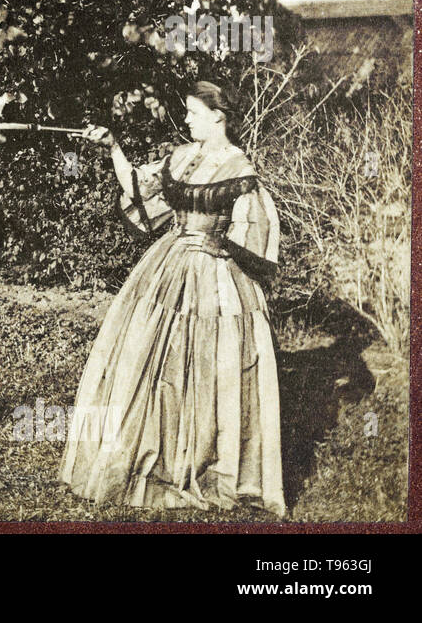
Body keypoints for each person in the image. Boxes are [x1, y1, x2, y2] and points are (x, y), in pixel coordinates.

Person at [58, 80, 285, 516]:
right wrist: (113, 147)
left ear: (218, 116)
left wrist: (217, 249)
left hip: (215, 276)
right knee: (147, 362)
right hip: (166, 266)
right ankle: (153, 455)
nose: (186, 120)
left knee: (205, 365)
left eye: (193, 113)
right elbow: (138, 188)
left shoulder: (239, 169)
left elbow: (255, 235)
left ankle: (201, 460)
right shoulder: (182, 156)